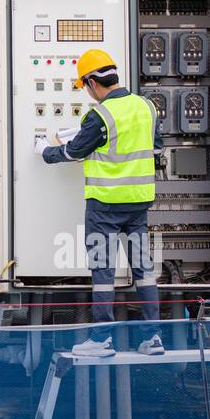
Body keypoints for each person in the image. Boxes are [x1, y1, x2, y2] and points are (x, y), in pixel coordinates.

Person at [36, 48, 164, 358]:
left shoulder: (101, 115)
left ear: (93, 81)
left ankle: (101, 338)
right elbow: (156, 150)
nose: (88, 94)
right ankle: (153, 338)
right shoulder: (147, 107)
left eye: (85, 87)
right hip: (138, 203)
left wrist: (44, 150)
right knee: (144, 270)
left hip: (105, 205)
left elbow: (74, 152)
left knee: (103, 273)